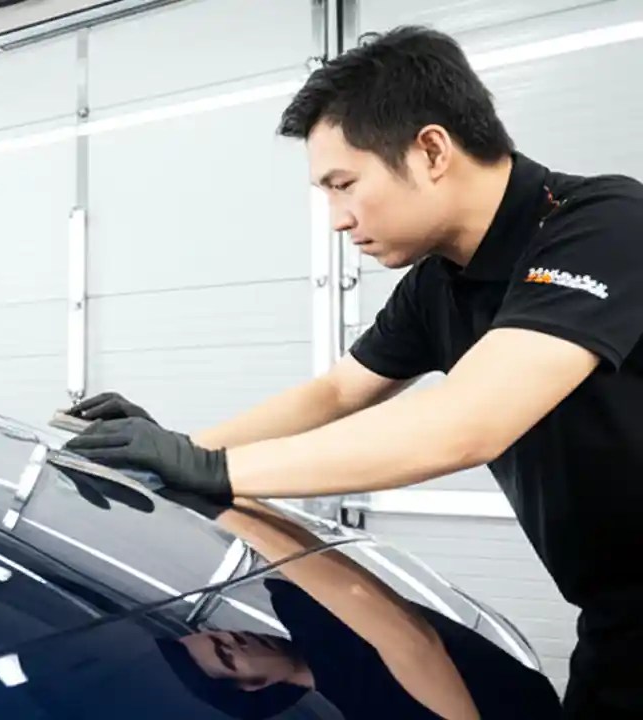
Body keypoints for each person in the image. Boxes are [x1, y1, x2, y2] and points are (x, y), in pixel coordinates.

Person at [62, 25, 643, 719]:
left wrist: (210, 467)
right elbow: (339, 391)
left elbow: (467, 426)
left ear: (431, 149)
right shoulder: (440, 285)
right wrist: (175, 449)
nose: (338, 219)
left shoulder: (606, 225)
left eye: (345, 185)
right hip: (618, 620)